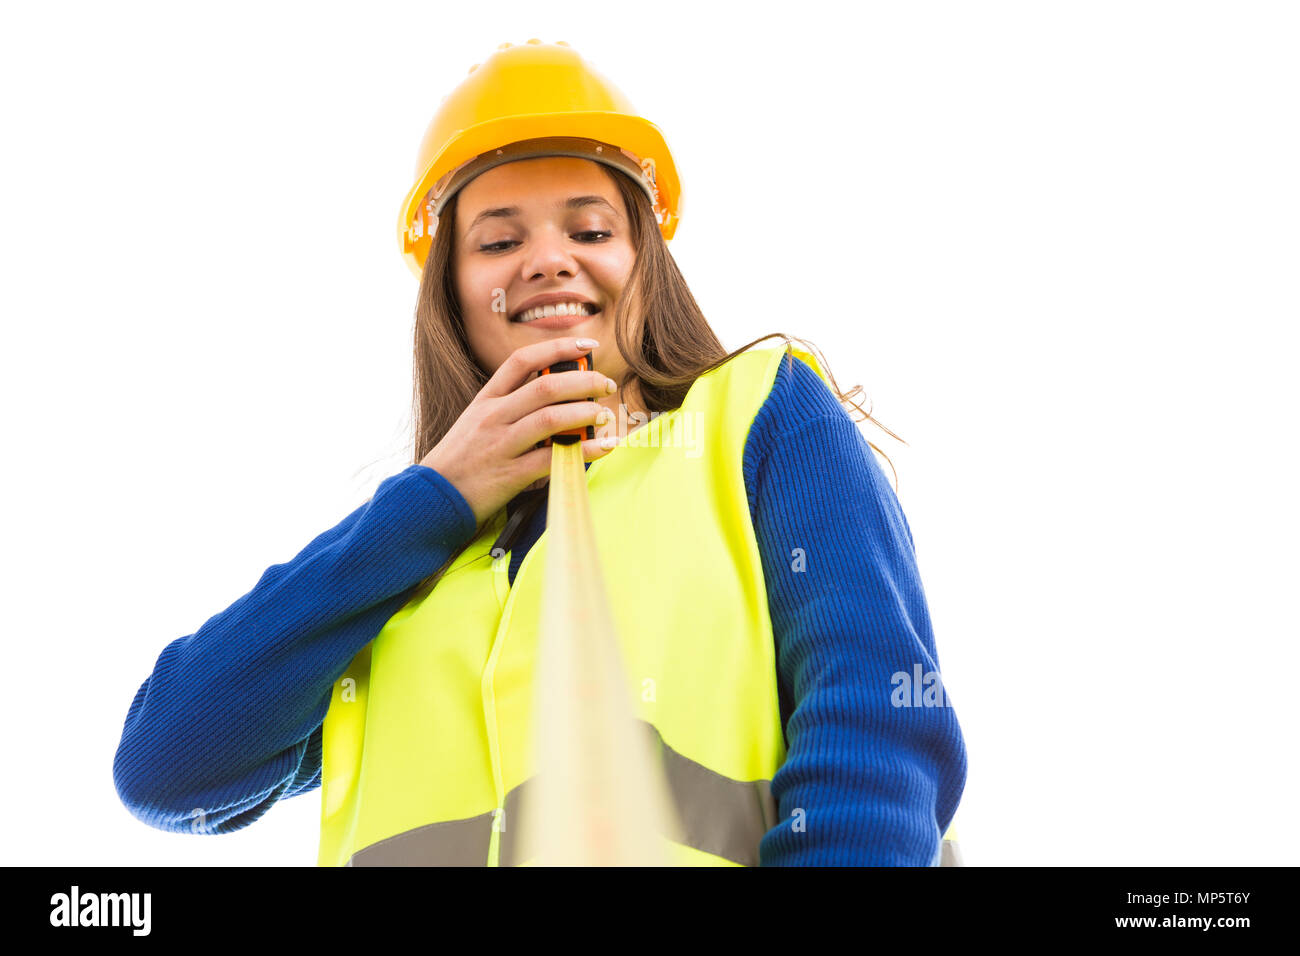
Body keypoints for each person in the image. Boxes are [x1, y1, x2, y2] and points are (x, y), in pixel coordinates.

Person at [113, 39, 967, 866]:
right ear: (451, 289)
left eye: (591, 231)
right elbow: (166, 765)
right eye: (498, 241)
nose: (549, 261)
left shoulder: (760, 417)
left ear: (646, 264)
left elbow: (880, 734)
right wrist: (439, 492)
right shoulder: (405, 569)